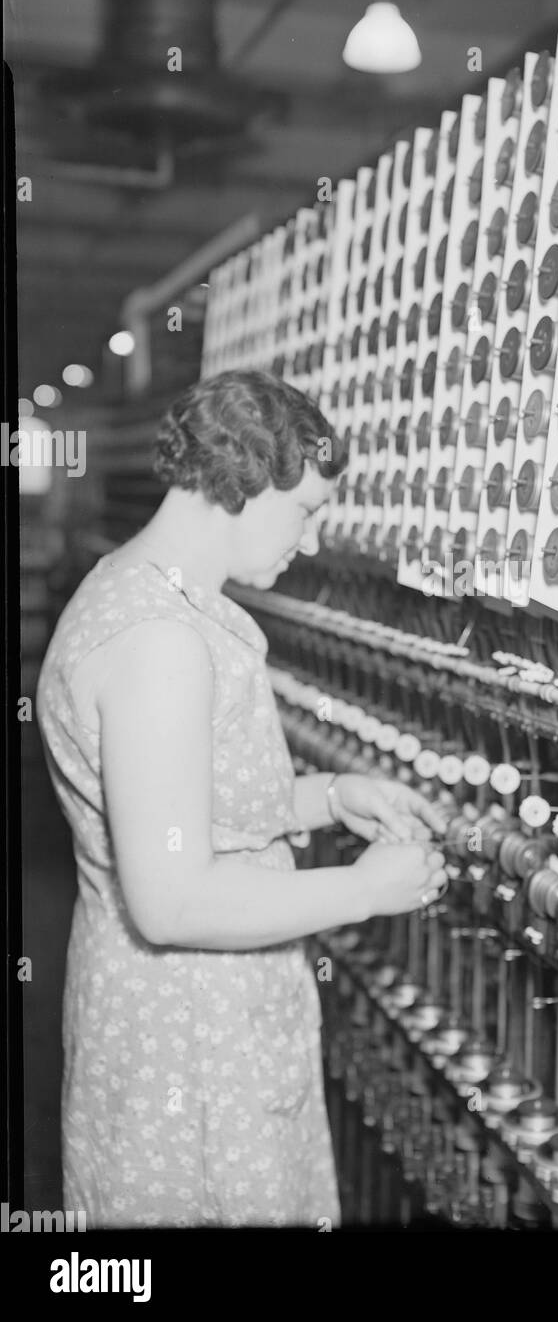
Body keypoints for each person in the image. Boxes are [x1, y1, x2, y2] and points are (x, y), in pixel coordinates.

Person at [36, 369, 447, 1227]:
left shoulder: (149, 596)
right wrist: (366, 890)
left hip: (196, 1022)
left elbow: (193, 806)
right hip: (188, 1043)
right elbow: (174, 899)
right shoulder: (159, 643)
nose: (310, 540)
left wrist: (332, 796)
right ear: (247, 483)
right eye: (306, 511)